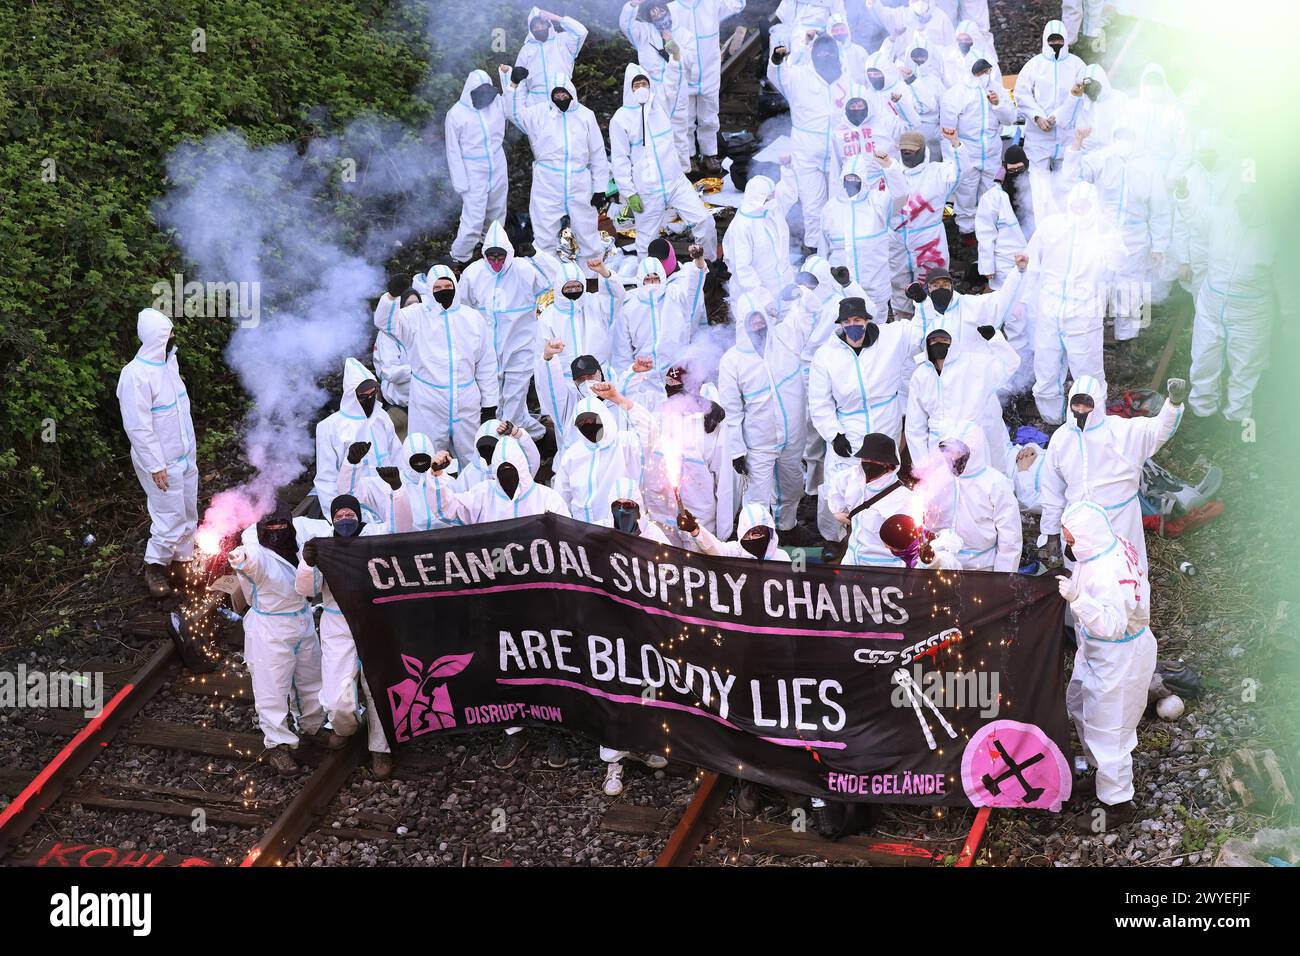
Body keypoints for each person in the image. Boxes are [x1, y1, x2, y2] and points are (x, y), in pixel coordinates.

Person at [1057, 500, 1158, 832]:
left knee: (1109, 728)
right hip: (1097, 650)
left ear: (1087, 537)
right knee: (1079, 706)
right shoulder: (1102, 548)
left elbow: (1113, 624)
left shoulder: (1107, 573)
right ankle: (1100, 774)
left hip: (1119, 655)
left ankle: (1116, 805)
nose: (1069, 547)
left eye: (1072, 541)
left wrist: (1077, 599)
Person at [1039, 375, 1186, 575]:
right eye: (1077, 404)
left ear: (1098, 404)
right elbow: (1052, 489)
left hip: (1119, 520)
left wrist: (1173, 404)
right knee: (1081, 581)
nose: (1081, 410)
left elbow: (1156, 430)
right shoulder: (1061, 439)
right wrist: (1051, 533)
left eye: (1087, 405)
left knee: (1123, 575)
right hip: (1079, 524)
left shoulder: (1120, 431)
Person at [297, 496, 393, 779]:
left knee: (378, 687)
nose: (345, 519)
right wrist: (307, 563)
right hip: (337, 623)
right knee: (338, 697)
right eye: (339, 516)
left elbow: (404, 525)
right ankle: (344, 727)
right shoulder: (323, 543)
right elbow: (306, 589)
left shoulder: (374, 536)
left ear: (360, 516)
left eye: (351, 514)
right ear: (331, 520)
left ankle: (381, 748)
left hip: (374, 619)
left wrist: (397, 492)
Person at [809, 297, 914, 540]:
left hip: (884, 423)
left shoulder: (891, 338)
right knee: (840, 486)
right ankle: (835, 539)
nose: (852, 326)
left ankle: (886, 537)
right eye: (847, 322)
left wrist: (921, 301)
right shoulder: (826, 356)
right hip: (849, 430)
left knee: (884, 483)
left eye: (857, 320)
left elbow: (920, 329)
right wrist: (833, 434)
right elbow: (819, 401)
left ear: (867, 320)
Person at [229, 511, 323, 776]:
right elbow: (247, 561)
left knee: (311, 678)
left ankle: (311, 728)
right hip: (270, 628)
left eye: (282, 523)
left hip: (302, 619)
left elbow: (325, 528)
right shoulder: (254, 550)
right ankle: (277, 744)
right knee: (272, 687)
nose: (278, 529)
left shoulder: (302, 531)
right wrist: (240, 559)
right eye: (271, 525)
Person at [1024, 180, 1125, 424]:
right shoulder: (1052, 227)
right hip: (1050, 309)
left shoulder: (1104, 234)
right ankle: (1052, 421)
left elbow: (1118, 263)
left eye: (1086, 206)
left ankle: (1090, 423)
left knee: (1087, 370)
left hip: (1083, 313)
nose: (1080, 210)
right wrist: (1027, 298)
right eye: (1076, 205)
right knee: (1046, 367)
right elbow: (1031, 262)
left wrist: (1108, 229)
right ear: (1069, 203)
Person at [597, 476, 671, 796]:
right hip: (610, 624)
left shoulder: (654, 535)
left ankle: (645, 743)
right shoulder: (596, 532)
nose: (625, 511)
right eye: (619, 505)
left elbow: (670, 574)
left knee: (647, 683)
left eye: (630, 506)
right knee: (614, 686)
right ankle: (614, 758)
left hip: (644, 623)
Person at [1063, 125, 1171, 346]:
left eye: (1128, 137)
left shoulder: (1148, 167)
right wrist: (1076, 144)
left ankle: (1126, 341)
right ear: (1113, 137)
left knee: (1130, 288)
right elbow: (1072, 176)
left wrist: (1159, 246)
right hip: (1101, 233)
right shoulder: (1100, 159)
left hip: (1135, 237)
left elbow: (1160, 208)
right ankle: (1087, 335)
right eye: (1120, 136)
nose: (1124, 141)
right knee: (1094, 282)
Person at [383, 264, 499, 467]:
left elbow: (486, 364)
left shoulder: (472, 318)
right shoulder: (415, 315)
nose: (444, 291)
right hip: (428, 405)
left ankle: (474, 496)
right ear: (429, 290)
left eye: (448, 286)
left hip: (467, 404)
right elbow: (386, 323)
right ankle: (429, 497)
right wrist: (391, 298)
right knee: (426, 460)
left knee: (475, 460)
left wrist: (489, 406)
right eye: (437, 288)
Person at [117, 307, 198, 597]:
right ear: (155, 338)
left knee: (189, 511)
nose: (174, 337)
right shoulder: (135, 376)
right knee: (169, 516)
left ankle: (182, 563)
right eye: (168, 333)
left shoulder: (169, 365)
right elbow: (138, 427)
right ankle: (154, 567)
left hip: (185, 457)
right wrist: (155, 465)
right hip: (160, 463)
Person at [595, 376, 734, 541]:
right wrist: (617, 399)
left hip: (698, 525)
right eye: (670, 389)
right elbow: (643, 421)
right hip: (662, 524)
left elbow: (724, 482)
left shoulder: (709, 426)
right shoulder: (660, 420)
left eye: (679, 390)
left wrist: (723, 536)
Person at [718, 290, 809, 535]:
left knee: (792, 485)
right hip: (759, 441)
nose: (758, 324)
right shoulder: (732, 361)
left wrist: (797, 294)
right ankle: (755, 539)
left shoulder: (783, 341)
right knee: (757, 496)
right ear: (741, 323)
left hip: (793, 435)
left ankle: (786, 527)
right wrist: (737, 449)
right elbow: (731, 410)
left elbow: (808, 316)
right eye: (752, 319)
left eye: (760, 317)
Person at [1184, 191, 1276, 425]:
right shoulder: (1221, 219)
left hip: (1251, 312)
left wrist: (1291, 314)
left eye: (1250, 201)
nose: (1244, 207)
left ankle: (1236, 421)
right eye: (1240, 201)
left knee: (1245, 367)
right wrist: (1183, 195)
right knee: (1204, 358)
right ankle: (1201, 413)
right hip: (1212, 304)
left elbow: (1287, 279)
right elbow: (1196, 216)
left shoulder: (1274, 232)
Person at [609, 66, 718, 262]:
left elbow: (673, 84)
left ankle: (708, 264)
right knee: (646, 241)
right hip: (647, 189)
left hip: (675, 182)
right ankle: (648, 278)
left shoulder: (661, 107)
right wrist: (629, 192)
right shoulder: (620, 119)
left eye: (644, 84)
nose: (641, 88)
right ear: (629, 89)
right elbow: (619, 159)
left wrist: (675, 60)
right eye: (636, 85)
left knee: (704, 220)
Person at [459, 221, 554, 445]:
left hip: (520, 347)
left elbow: (555, 279)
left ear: (508, 253)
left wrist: (536, 255)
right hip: (487, 352)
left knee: (513, 398)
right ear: (484, 255)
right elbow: (461, 308)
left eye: (500, 256)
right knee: (494, 401)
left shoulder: (523, 269)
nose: (496, 261)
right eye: (491, 256)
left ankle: (506, 445)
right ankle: (534, 436)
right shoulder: (473, 273)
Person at [505, 69, 611, 259]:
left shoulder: (585, 116)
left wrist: (600, 188)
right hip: (547, 182)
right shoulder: (539, 113)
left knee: (587, 232)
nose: (560, 97)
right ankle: (548, 279)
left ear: (571, 92)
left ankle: (592, 277)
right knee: (544, 234)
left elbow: (597, 154)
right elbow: (513, 112)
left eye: (563, 93)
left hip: (579, 181)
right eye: (556, 94)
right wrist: (513, 85)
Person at [768, 29, 855, 255]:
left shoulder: (847, 78)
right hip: (807, 153)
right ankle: (814, 251)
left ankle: (838, 252)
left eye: (830, 54)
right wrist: (777, 60)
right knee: (813, 207)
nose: (825, 58)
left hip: (840, 155)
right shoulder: (799, 76)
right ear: (813, 55)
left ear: (837, 55)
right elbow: (777, 75)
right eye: (821, 54)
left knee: (838, 204)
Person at [905, 323, 1019, 477]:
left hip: (970, 443)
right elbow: (915, 427)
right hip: (938, 447)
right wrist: (922, 466)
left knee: (974, 490)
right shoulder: (921, 375)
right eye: (934, 341)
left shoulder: (974, 364)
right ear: (927, 344)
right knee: (944, 493)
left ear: (953, 342)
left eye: (944, 340)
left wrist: (994, 339)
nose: (939, 344)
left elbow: (1011, 364)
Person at [889, 129, 974, 318]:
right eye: (904, 150)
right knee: (898, 284)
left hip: (928, 242)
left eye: (912, 150)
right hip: (897, 242)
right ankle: (903, 324)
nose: (907, 153)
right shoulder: (890, 171)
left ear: (922, 150)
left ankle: (936, 325)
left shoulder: (937, 172)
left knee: (933, 285)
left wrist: (955, 144)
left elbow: (963, 170)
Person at [312, 358, 402, 523]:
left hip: (389, 503)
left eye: (372, 394)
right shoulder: (329, 427)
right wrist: (338, 518)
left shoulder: (382, 418)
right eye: (363, 396)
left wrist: (402, 496)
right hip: (352, 508)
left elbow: (398, 457)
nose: (369, 399)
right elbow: (326, 479)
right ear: (351, 395)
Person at [821, 151, 907, 321]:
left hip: (874, 286)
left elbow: (901, 194)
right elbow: (823, 250)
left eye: (856, 179)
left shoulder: (878, 203)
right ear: (842, 179)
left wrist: (889, 166)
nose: (852, 183)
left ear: (864, 179)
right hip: (842, 288)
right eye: (848, 178)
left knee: (877, 332)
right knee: (846, 332)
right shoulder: (830, 209)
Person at [924, 421, 1021, 571]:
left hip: (981, 567)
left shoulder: (996, 483)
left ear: (973, 451)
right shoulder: (937, 478)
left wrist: (1002, 580)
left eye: (959, 452)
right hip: (939, 563)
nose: (953, 457)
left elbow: (1010, 537)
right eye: (949, 450)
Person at [665, 0, 747, 172]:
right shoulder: (672, 9)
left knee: (709, 116)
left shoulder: (712, 3)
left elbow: (737, 4)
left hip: (709, 70)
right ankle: (688, 156)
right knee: (684, 118)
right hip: (684, 71)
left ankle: (710, 154)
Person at [941, 57, 1013, 241]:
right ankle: (968, 234)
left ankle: (989, 232)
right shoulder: (955, 94)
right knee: (966, 196)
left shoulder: (997, 89)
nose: (985, 76)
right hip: (967, 154)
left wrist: (997, 104)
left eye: (987, 71)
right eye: (980, 72)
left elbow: (1009, 119)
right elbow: (947, 133)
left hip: (992, 153)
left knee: (990, 193)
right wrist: (954, 160)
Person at [621, 1, 698, 168]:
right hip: (654, 89)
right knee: (655, 130)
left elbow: (690, 62)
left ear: (668, 10)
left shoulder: (684, 34)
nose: (659, 17)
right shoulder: (644, 33)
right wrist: (634, 4)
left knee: (679, 131)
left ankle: (683, 172)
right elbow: (626, 25)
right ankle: (659, 170)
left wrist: (673, 47)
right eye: (654, 15)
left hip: (677, 87)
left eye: (661, 12)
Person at [445, 69, 508, 269]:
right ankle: (459, 257)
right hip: (473, 167)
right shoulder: (456, 114)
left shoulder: (495, 103)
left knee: (498, 210)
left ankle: (492, 247)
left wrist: (510, 79)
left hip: (497, 161)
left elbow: (512, 103)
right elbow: (453, 151)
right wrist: (460, 182)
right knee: (473, 217)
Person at [611, 248, 708, 377]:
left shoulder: (674, 296)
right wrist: (625, 380)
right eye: (648, 279)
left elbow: (692, 288)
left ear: (662, 278)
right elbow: (621, 352)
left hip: (675, 370)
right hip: (644, 374)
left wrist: (698, 261)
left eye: (656, 278)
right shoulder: (630, 308)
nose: (652, 284)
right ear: (640, 280)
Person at [827, 433, 917, 567]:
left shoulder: (904, 499)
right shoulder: (852, 478)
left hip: (882, 570)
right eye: (865, 459)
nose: (868, 465)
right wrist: (836, 512)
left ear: (889, 465)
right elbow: (835, 487)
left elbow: (910, 545)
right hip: (850, 562)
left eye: (875, 461)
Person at [553, 396, 644, 524]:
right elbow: (561, 498)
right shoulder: (572, 455)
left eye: (592, 420)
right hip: (584, 533)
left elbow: (649, 433)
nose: (588, 425)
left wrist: (618, 398)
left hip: (621, 531)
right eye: (582, 423)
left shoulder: (625, 443)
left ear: (604, 416)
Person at [1013, 21, 1085, 169]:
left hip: (1068, 138)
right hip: (1038, 139)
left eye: (1059, 40)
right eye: (1052, 40)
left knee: (1066, 185)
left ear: (1066, 40)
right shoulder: (1034, 65)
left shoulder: (1077, 65)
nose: (1056, 43)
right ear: (1045, 40)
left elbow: (1082, 97)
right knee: (1039, 187)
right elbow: (1021, 94)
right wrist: (1037, 117)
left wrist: (1060, 116)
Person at [723, 164, 799, 295]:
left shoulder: (771, 211)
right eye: (771, 196)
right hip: (757, 294)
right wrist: (762, 298)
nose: (775, 198)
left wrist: (787, 169)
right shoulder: (742, 226)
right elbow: (742, 269)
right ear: (759, 199)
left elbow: (789, 194)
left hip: (783, 284)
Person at [513, 8, 589, 107]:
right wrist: (521, 109)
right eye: (535, 27)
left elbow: (581, 32)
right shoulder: (526, 49)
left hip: (563, 99)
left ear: (548, 24)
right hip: (536, 104)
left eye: (542, 24)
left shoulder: (562, 40)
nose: (539, 28)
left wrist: (555, 17)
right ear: (530, 29)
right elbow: (519, 81)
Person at [680, 501, 792, 562]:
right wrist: (695, 529)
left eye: (758, 531)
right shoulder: (734, 552)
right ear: (742, 533)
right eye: (748, 533)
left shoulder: (781, 558)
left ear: (769, 531)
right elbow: (714, 548)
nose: (753, 537)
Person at [372, 277, 414, 424]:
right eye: (409, 304)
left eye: (416, 304)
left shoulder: (425, 331)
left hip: (427, 404)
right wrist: (419, 369)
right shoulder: (387, 335)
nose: (413, 308)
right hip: (399, 405)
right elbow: (389, 372)